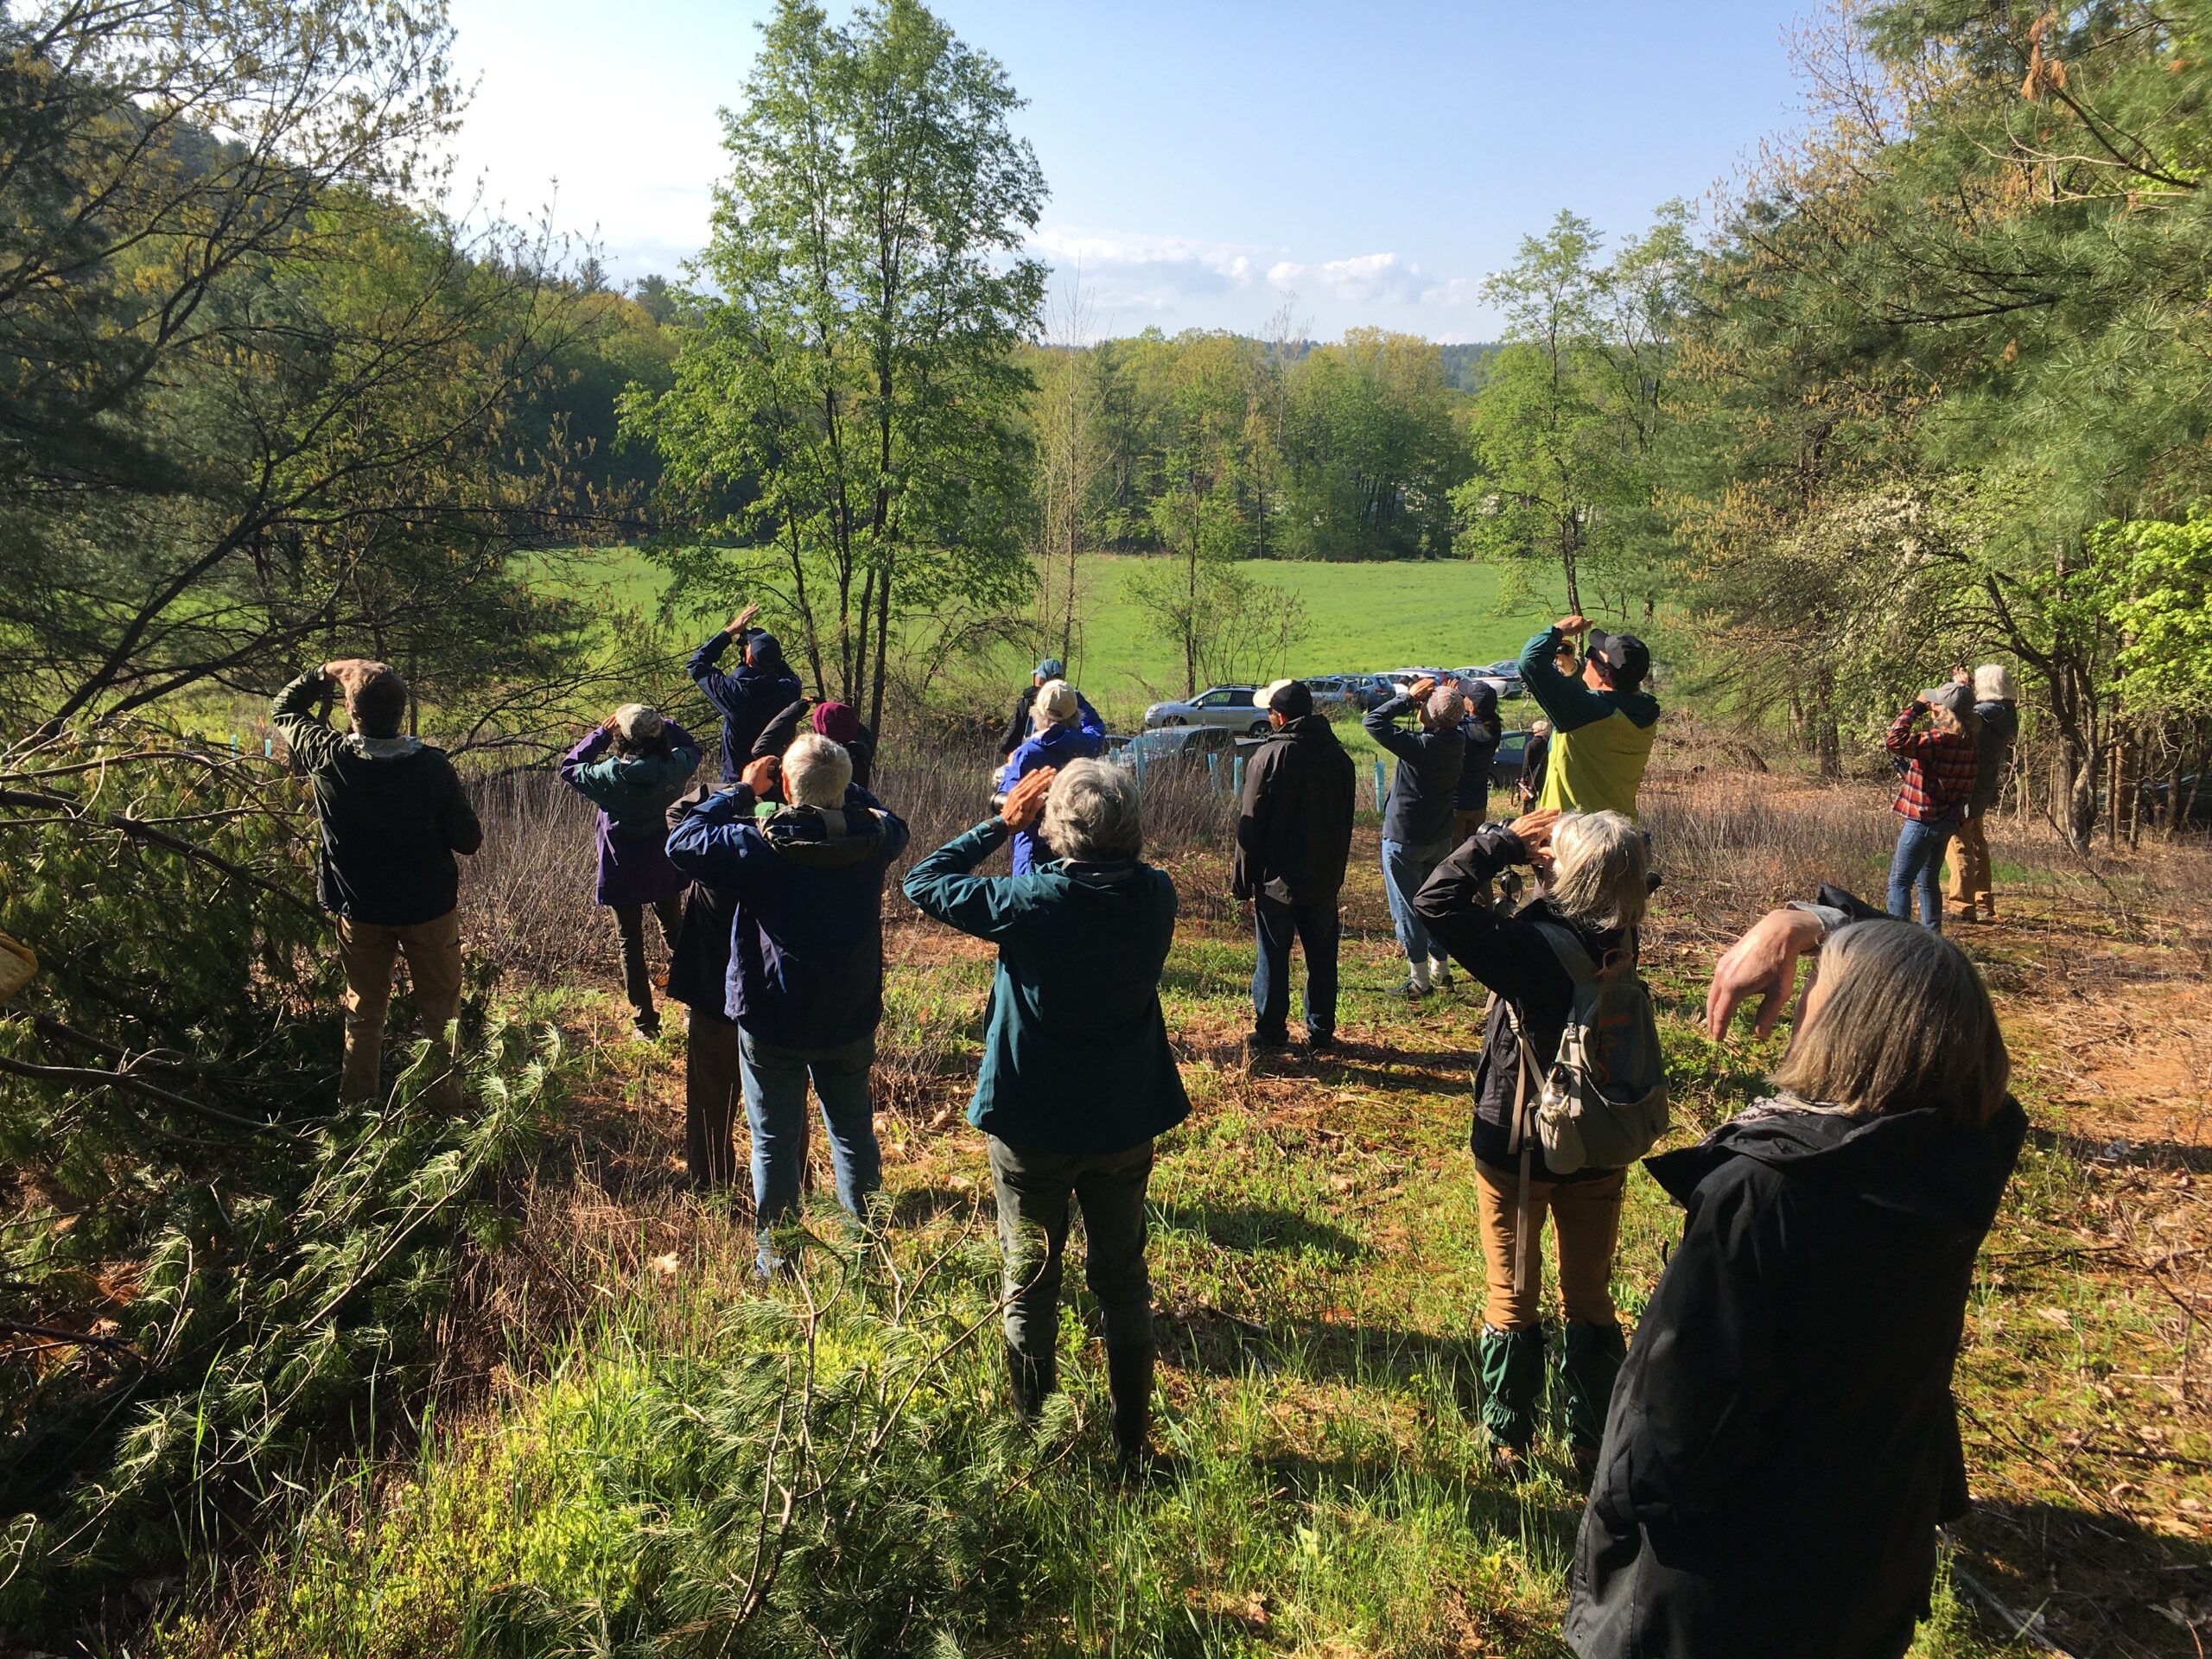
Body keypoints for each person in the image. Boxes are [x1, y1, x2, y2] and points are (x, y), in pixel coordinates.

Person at [1569, 906, 2025, 1659]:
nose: (1804, 998)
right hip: (1866, 1565)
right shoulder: (1967, 1151)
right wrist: (1799, 922)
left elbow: (1672, 1427)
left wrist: (1614, 1513)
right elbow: (1925, 966)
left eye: (1818, 984)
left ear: (1851, 1021)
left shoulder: (1763, 1193)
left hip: (1720, 1597)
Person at [902, 760, 1187, 1470]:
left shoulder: (1031, 903)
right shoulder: (1156, 895)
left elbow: (922, 882)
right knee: (1122, 1279)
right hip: (1125, 1114)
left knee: (1029, 1282)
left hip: (1032, 1119)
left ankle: (1032, 1443)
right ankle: (1130, 1445)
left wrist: (1002, 824)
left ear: (1057, 830)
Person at [1414, 806, 1646, 1484]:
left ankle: (1508, 1441)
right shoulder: (1625, 932)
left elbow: (1435, 900)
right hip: (1601, 1135)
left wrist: (1498, 845)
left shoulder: (1529, 948)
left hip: (1518, 1140)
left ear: (1566, 875)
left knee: (1512, 1293)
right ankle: (1592, 1443)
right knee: (1590, 1295)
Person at [665, 734, 911, 1274]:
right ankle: (866, 1256)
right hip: (848, 1013)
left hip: (772, 1015)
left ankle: (779, 1263)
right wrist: (834, 779)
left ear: (787, 787)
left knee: (773, 1139)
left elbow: (682, 840)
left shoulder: (760, 843)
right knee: (851, 1132)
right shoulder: (875, 838)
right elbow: (891, 816)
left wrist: (741, 790)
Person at [271, 659, 481, 1108]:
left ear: (350, 710)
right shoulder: (432, 767)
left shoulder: (326, 755)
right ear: (402, 712)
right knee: (441, 1013)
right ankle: (445, 1110)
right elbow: (468, 840)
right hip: (428, 910)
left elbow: (284, 708)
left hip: (359, 910)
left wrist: (324, 671)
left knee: (364, 1011)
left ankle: (357, 1108)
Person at [557, 704, 702, 1038]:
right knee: (674, 930)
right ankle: (693, 1006)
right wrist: (662, 724)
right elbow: (694, 747)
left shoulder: (608, 775)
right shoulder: (674, 767)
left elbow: (568, 767)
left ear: (621, 739)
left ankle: (645, 1023)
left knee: (629, 941)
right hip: (663, 861)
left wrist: (599, 735)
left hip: (622, 866)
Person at [1232, 678, 1356, 1055]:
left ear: (1280, 716)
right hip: (1323, 878)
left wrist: (1242, 880)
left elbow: (1250, 823)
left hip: (1276, 882)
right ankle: (1321, 1030)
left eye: (1269, 712)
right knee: (1322, 957)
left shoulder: (1268, 757)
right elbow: (1346, 822)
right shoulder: (1340, 758)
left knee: (1272, 955)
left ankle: (1270, 1030)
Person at [664, 778, 747, 1190]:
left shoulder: (717, 849)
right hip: (782, 997)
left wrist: (733, 791)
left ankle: (710, 1183)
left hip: (715, 987)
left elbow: (680, 824)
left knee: (711, 1092)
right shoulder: (801, 842)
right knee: (783, 1101)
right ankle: (793, 1185)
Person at [1363, 675, 1467, 997]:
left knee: (1407, 908)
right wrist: (1446, 701)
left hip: (1404, 838)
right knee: (1433, 902)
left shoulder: (1420, 747)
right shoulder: (1456, 740)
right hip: (1438, 836)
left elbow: (1373, 721)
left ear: (1431, 717)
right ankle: (1441, 970)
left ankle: (1420, 982)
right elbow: (1446, 717)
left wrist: (1408, 698)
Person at [1516, 616, 1660, 818]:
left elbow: (1530, 661)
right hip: (1620, 828)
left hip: (1575, 835)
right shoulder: (1644, 713)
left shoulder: (1587, 714)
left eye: (1591, 655)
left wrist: (1558, 630)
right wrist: (1572, 672)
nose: (1586, 660)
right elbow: (1601, 701)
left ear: (1604, 673)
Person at [1885, 682, 1979, 931]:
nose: (1932, 706)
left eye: (1936, 704)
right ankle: (1933, 937)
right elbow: (1948, 784)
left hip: (1922, 822)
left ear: (1945, 712)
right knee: (1928, 882)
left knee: (1899, 881)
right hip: (1947, 822)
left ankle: (1898, 938)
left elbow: (1894, 739)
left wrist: (1915, 708)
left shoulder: (1938, 739)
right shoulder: (1969, 742)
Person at [995, 677, 1106, 873]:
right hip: (1075, 848)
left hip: (1032, 851)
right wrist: (1071, 695)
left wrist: (1011, 769)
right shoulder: (1087, 745)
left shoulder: (1026, 753)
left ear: (1037, 713)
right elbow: (1096, 726)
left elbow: (1006, 804)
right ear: (1075, 714)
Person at [688, 602, 804, 783]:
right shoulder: (789, 691)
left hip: (737, 785)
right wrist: (765, 645)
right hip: (775, 783)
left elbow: (696, 665)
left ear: (749, 657)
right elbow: (783, 670)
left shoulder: (734, 693)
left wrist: (730, 631)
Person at [1947, 664, 2019, 925]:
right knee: (1976, 840)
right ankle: (1983, 900)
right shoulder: (2006, 710)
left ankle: (1962, 905)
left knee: (1958, 842)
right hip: (1983, 784)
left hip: (1967, 784)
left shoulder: (1986, 712)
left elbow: (1955, 720)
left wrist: (1959, 689)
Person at [996, 657, 1099, 759]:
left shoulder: (1026, 702)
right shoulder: (1072, 700)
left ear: (1041, 679)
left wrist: (1012, 757)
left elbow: (1010, 739)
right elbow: (1096, 729)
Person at [1452, 679, 1503, 844]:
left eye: (1466, 696)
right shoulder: (1494, 728)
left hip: (1457, 802)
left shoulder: (1462, 731)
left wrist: (1452, 701)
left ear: (1472, 707)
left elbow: (1446, 726)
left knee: (1453, 854)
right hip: (1478, 800)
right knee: (1473, 849)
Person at [1518, 718, 1553, 807]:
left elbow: (1527, 763)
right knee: (1545, 801)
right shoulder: (1550, 744)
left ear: (1537, 730)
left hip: (1532, 777)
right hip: (1546, 776)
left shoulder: (1532, 744)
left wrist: (1523, 778)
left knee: (1529, 802)